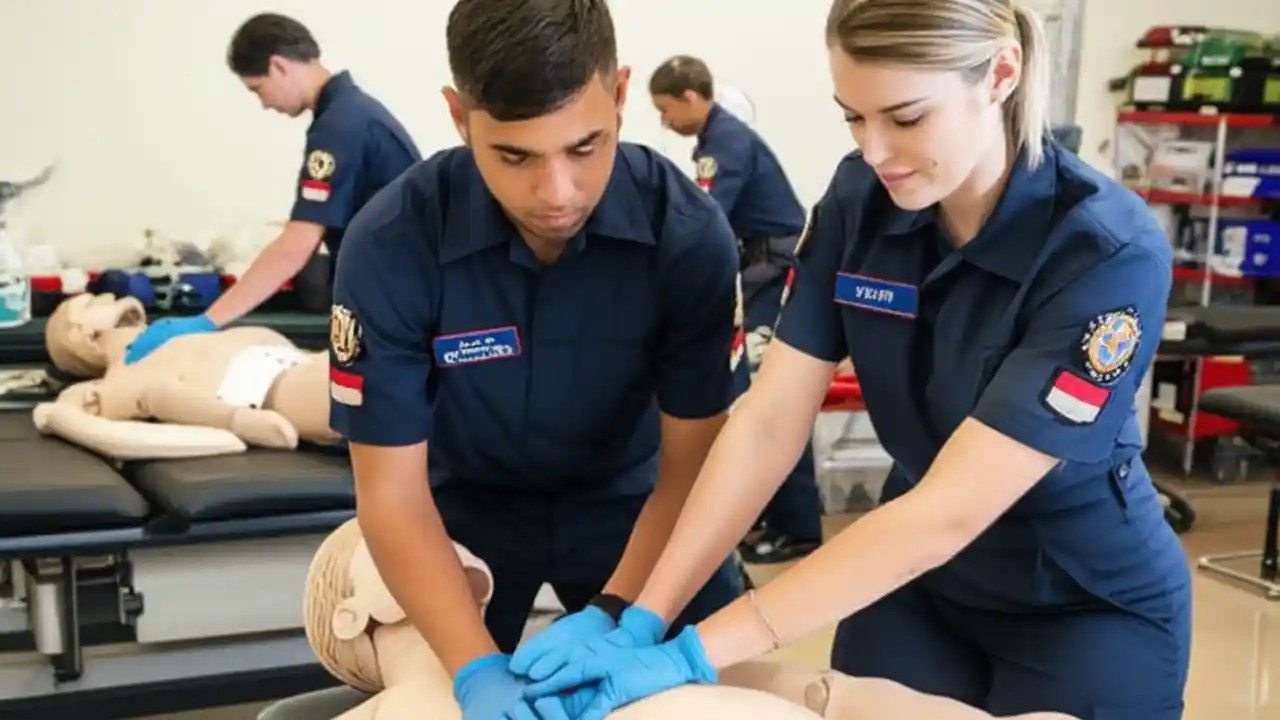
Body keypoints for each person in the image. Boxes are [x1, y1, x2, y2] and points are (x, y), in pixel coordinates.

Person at [515, 1, 1193, 719]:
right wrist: (643, 615)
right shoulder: (861, 201)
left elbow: (947, 513)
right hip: (916, 596)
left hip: (1078, 599)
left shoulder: (1103, 253)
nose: (874, 149)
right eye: (852, 117)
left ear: (1000, 74)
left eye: (904, 119)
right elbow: (770, 422)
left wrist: (692, 655)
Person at [326, 0, 746, 717]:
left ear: (619, 95)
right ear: (460, 118)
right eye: (515, 156)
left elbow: (695, 471)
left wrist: (624, 612)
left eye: (585, 147)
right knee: (430, 701)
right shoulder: (392, 242)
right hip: (461, 514)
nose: (557, 193)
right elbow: (392, 494)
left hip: (642, 507)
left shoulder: (686, 234)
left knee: (717, 699)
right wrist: (474, 671)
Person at [123, 12, 421, 364]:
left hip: (396, 307)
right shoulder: (355, 114)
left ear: (279, 66)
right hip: (392, 298)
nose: (263, 104)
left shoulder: (340, 127)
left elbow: (298, 245)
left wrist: (209, 320)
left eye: (257, 89)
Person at [649, 55, 824, 564]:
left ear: (690, 97)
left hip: (776, 274)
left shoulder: (725, 143)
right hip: (760, 275)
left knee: (774, 398)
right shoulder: (717, 140)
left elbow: (705, 220)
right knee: (753, 398)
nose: (664, 121)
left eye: (666, 109)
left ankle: (799, 527)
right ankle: (773, 515)